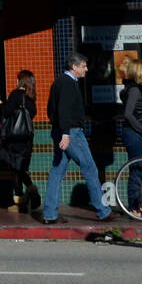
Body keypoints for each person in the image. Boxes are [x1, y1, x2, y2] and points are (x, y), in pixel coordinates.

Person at [42, 53, 113, 225]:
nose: (86, 69)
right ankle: (103, 211)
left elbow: (51, 110)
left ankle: (50, 214)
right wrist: (66, 134)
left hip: (63, 131)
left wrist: (59, 130)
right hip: (72, 133)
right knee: (90, 168)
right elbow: (64, 110)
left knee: (57, 171)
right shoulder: (67, 83)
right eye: (83, 66)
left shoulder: (59, 82)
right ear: (74, 67)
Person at [0, 70, 40, 215]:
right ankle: (32, 191)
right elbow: (32, 114)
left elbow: (7, 111)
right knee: (21, 168)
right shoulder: (31, 97)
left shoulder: (16, 94)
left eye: (18, 79)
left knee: (15, 170)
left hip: (14, 139)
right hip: (27, 140)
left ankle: (19, 202)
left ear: (21, 81)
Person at [119, 61, 142, 214]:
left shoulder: (135, 89)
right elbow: (128, 113)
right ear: (139, 72)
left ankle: (137, 205)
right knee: (138, 168)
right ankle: (134, 207)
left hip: (135, 133)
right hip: (135, 134)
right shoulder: (135, 90)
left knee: (141, 167)